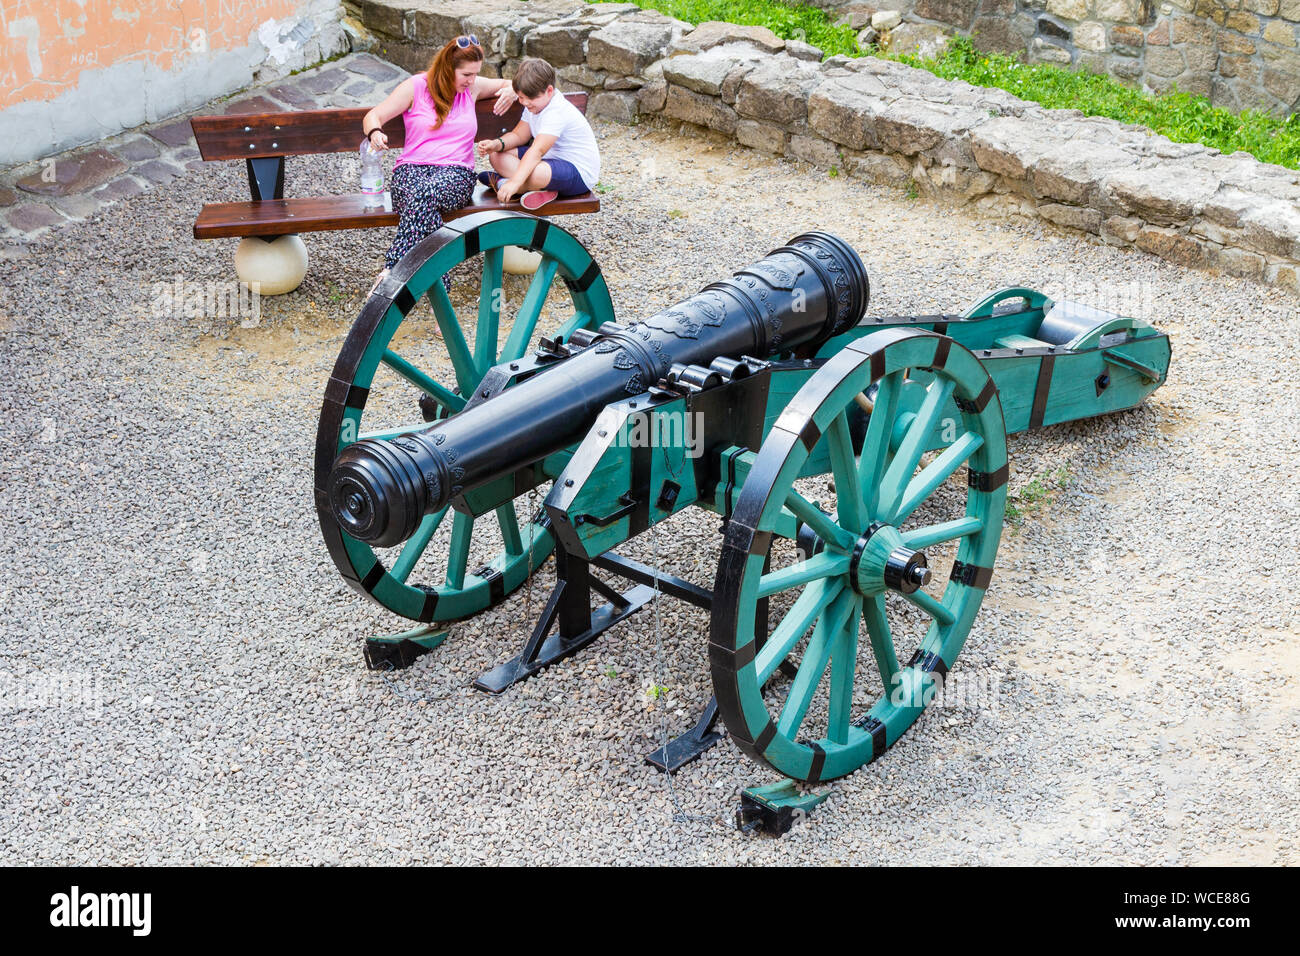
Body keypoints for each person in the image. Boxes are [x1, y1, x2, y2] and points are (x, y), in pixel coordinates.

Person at [362, 35, 516, 292]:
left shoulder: (473, 88)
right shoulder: (416, 86)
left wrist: (511, 89)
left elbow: (511, 83)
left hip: (456, 173)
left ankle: (393, 268)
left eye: (476, 74)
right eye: (466, 74)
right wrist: (375, 132)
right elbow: (374, 115)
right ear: (448, 68)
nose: (471, 80)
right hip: (410, 169)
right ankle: (439, 293)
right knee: (422, 202)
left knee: (423, 196)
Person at [474, 58, 600, 211]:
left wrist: (514, 182)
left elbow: (537, 150)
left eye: (530, 98)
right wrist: (496, 144)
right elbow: (519, 135)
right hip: (550, 160)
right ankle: (539, 189)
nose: (526, 103)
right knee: (497, 155)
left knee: (536, 172)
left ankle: (505, 183)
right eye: (521, 97)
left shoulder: (556, 111)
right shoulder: (534, 106)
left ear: (549, 91)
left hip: (577, 173)